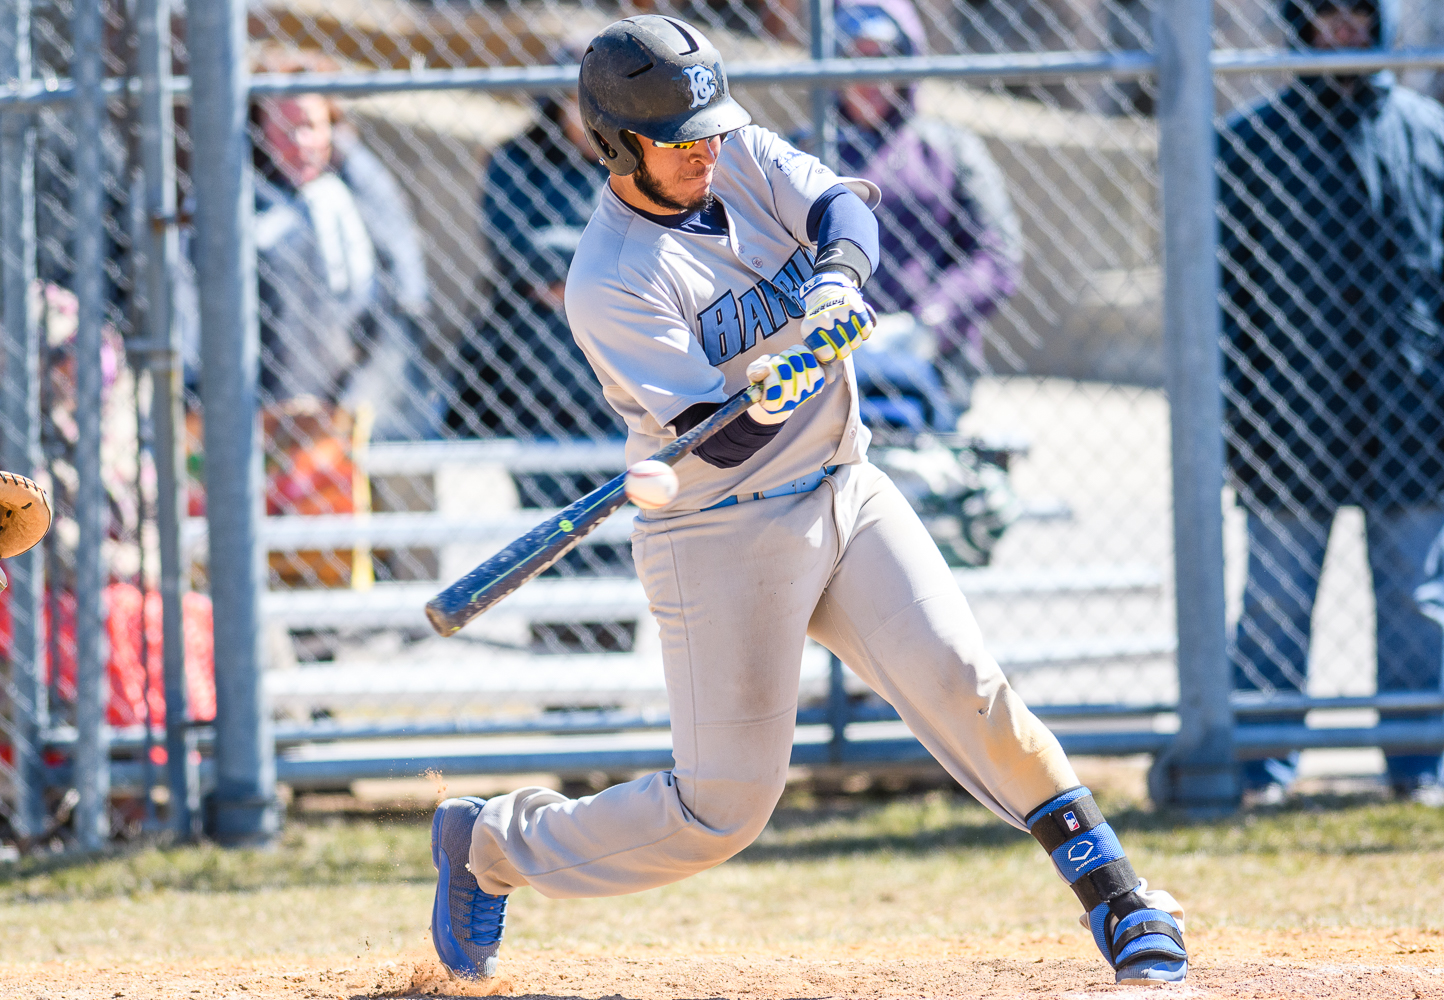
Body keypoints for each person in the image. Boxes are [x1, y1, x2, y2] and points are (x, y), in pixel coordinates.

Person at [426, 15, 1188, 986]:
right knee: (721, 811)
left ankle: (1121, 902)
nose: (706, 151)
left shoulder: (733, 149)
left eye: (710, 132)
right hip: (721, 531)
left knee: (969, 684)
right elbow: (724, 431)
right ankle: (491, 843)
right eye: (680, 143)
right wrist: (768, 392)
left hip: (843, 484)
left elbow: (843, 211)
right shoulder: (610, 278)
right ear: (618, 147)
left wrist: (834, 286)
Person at [1220, 0, 1444, 800]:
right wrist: (1232, 417)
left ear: (1380, 24)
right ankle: (1258, 773)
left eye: (1355, 15)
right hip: (1285, 422)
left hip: (1411, 411)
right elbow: (1220, 301)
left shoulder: (1432, 135)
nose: (1340, 30)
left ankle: (1418, 773)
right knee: (1275, 601)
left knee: (1418, 598)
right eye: (1323, 16)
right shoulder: (1249, 144)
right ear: (1297, 26)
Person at [822, 0, 1022, 387]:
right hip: (824, 362)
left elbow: (995, 255)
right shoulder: (805, 152)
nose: (868, 77)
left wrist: (929, 322)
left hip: (928, 367)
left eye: (883, 59)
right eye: (854, 57)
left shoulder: (948, 150)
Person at [248, 50, 435, 442]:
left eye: (310, 126)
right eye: (281, 128)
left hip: (362, 402)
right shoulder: (244, 198)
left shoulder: (362, 186)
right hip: (267, 408)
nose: (299, 143)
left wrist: (353, 402)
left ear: (333, 125)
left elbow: (406, 296)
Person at [447, 87, 626, 441]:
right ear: (560, 104)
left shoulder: (630, 163)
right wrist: (606, 267)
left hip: (613, 347)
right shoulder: (516, 158)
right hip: (530, 353)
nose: (600, 121)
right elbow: (517, 251)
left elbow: (652, 245)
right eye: (586, 106)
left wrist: (574, 273)